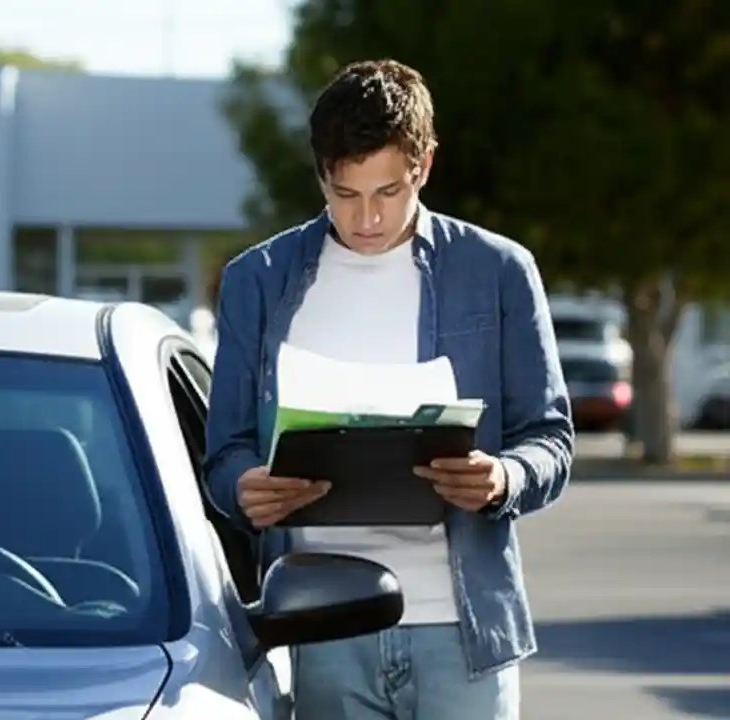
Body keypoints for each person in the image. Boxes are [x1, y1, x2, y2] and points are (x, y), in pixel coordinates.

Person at [203, 58, 573, 719]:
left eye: (389, 191)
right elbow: (223, 451)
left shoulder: (499, 272)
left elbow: (550, 438)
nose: (367, 218)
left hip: (463, 633)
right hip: (319, 630)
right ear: (320, 173)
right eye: (345, 195)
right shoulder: (257, 279)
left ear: (424, 165)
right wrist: (244, 488)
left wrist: (504, 478)